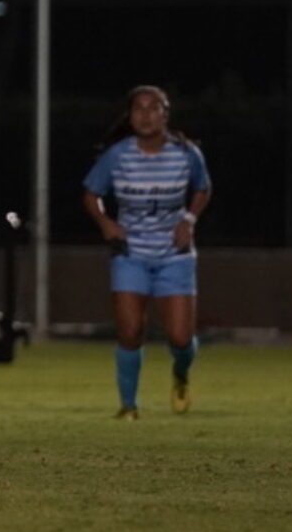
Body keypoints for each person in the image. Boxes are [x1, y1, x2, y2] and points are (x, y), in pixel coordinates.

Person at [81, 85, 211, 420]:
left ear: (166, 115)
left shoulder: (186, 154)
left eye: (154, 108)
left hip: (174, 255)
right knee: (129, 331)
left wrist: (189, 219)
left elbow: (203, 187)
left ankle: (181, 373)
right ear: (130, 116)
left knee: (180, 338)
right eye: (139, 109)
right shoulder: (118, 155)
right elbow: (91, 194)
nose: (146, 115)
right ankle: (128, 405)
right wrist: (105, 223)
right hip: (131, 253)